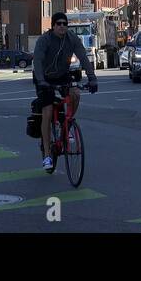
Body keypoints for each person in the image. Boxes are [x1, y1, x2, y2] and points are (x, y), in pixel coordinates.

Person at [32, 12, 98, 174]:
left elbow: (83, 57)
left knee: (76, 93)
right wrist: (41, 81)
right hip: (44, 77)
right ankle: (47, 154)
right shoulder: (44, 40)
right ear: (53, 25)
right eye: (59, 23)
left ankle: (66, 125)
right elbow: (38, 61)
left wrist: (92, 78)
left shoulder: (71, 39)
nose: (62, 26)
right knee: (47, 111)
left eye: (65, 24)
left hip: (62, 76)